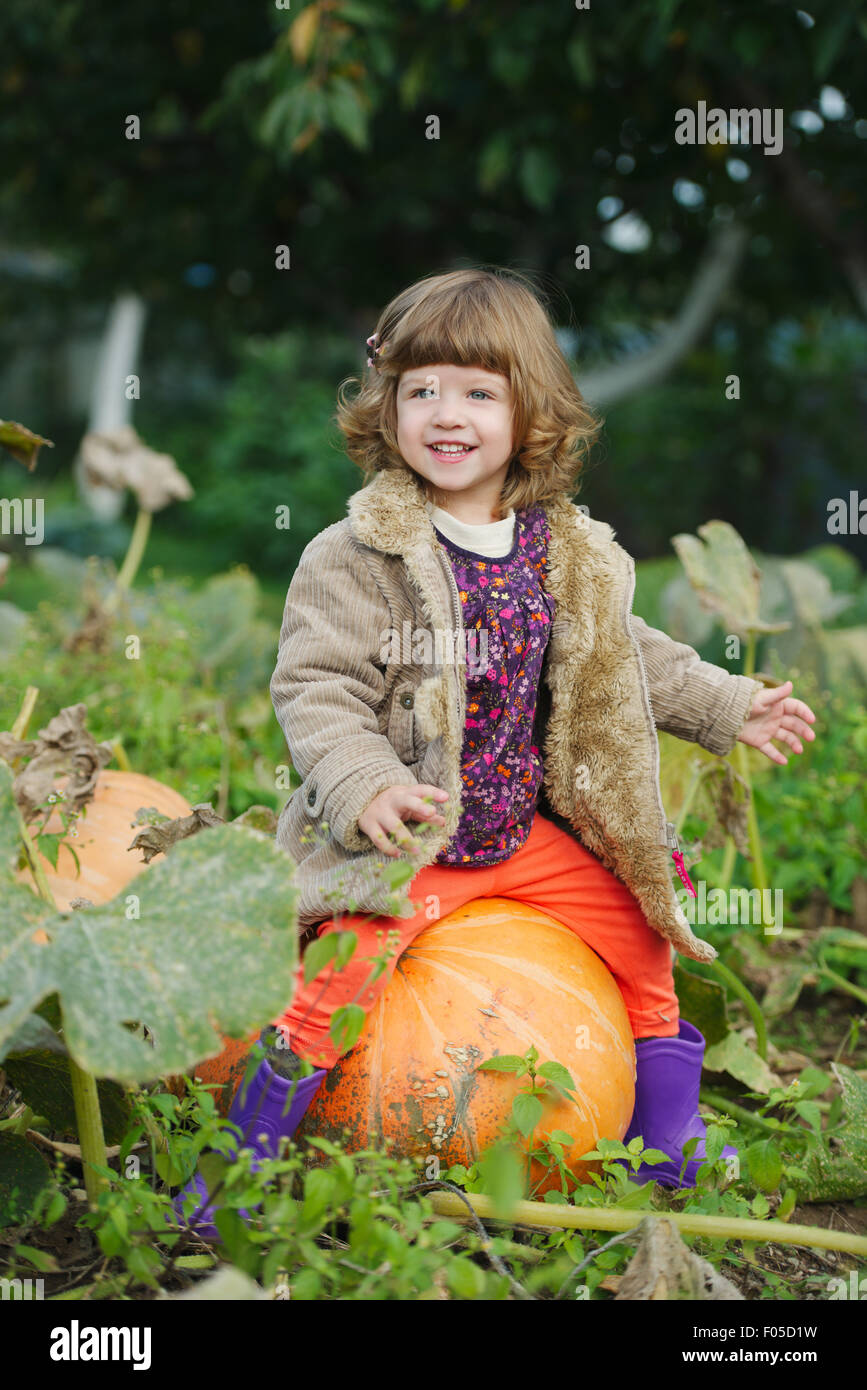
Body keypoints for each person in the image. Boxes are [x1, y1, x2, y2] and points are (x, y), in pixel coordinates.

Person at [176, 267, 816, 1236]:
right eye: (420, 388)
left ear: (532, 413)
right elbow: (318, 688)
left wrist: (732, 706)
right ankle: (240, 1163)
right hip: (417, 837)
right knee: (335, 983)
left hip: (518, 829)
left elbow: (632, 660)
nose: (446, 412)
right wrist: (369, 784)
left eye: (479, 391)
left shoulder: (563, 550)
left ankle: (666, 1127)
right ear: (386, 408)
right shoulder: (356, 553)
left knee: (645, 928)